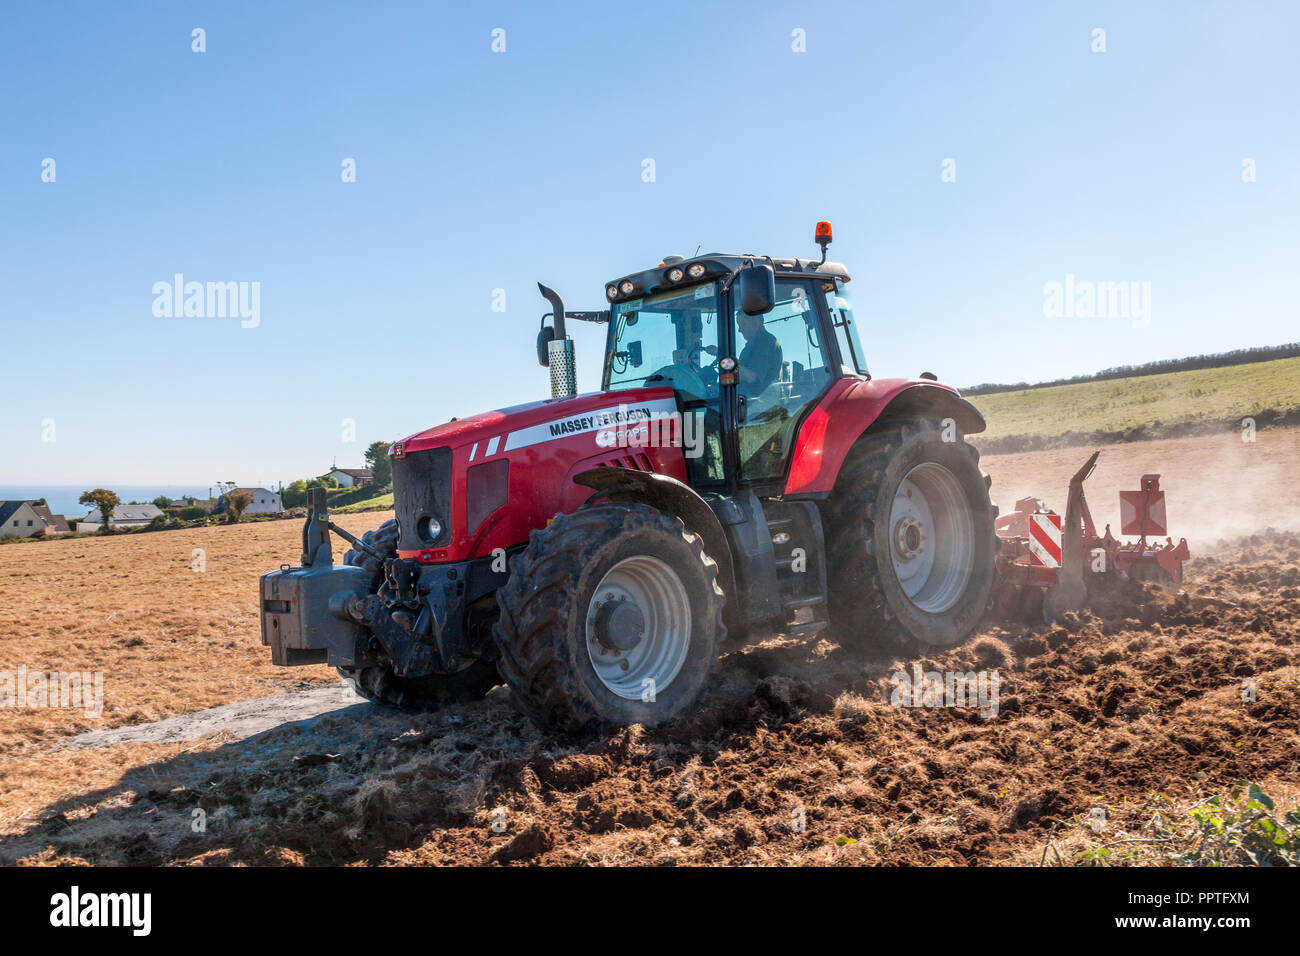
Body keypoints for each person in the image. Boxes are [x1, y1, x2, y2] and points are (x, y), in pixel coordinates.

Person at [705, 312, 782, 396]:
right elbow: (740, 376)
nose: (739, 330)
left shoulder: (766, 342)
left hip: (758, 404)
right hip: (746, 400)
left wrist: (722, 356)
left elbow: (753, 377)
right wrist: (719, 384)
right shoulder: (750, 346)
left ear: (756, 322)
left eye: (743, 324)